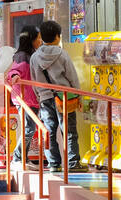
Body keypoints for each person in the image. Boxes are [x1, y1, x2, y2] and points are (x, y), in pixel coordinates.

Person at [32, 19, 86, 172]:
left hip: (44, 98)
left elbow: (34, 79)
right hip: (65, 97)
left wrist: (40, 97)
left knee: (49, 131)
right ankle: (73, 162)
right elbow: (72, 77)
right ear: (57, 36)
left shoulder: (35, 57)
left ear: (42, 36)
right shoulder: (62, 54)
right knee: (69, 130)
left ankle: (54, 164)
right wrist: (79, 96)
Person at [5, 25, 41, 163]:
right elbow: (15, 70)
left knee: (29, 128)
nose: (40, 41)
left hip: (30, 98)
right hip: (25, 99)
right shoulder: (22, 56)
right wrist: (15, 76)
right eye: (38, 38)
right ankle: (18, 157)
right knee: (29, 128)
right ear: (31, 39)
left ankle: (22, 158)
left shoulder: (31, 55)